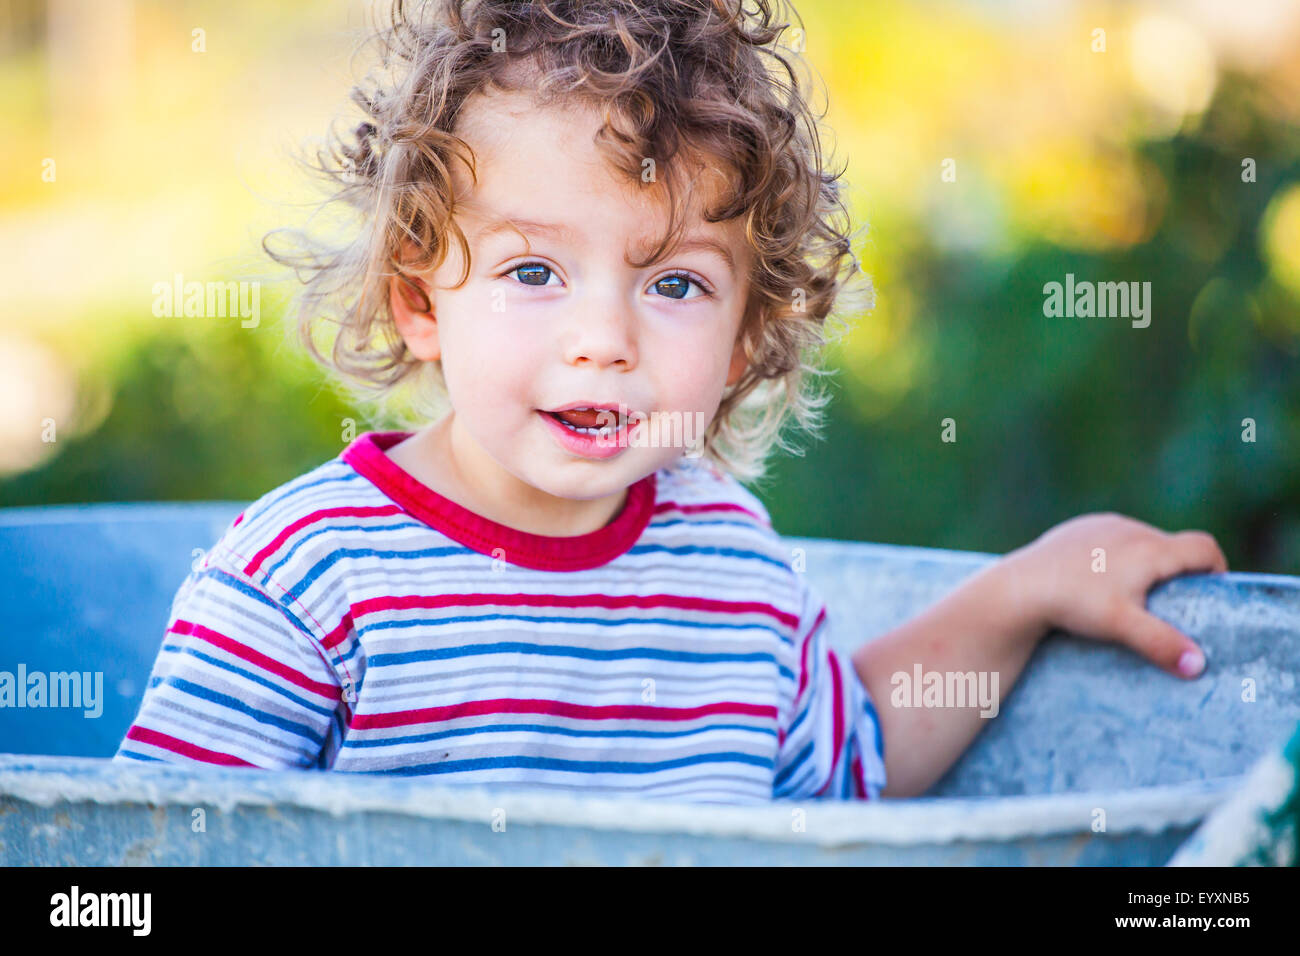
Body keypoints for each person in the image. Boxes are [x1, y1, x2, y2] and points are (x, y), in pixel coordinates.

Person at [113, 0, 1227, 803]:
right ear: (418, 298)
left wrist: (1025, 588)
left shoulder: (730, 571)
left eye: (676, 282)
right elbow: (146, 849)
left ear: (744, 340)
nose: (604, 339)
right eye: (533, 271)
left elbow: (849, 771)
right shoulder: (305, 578)